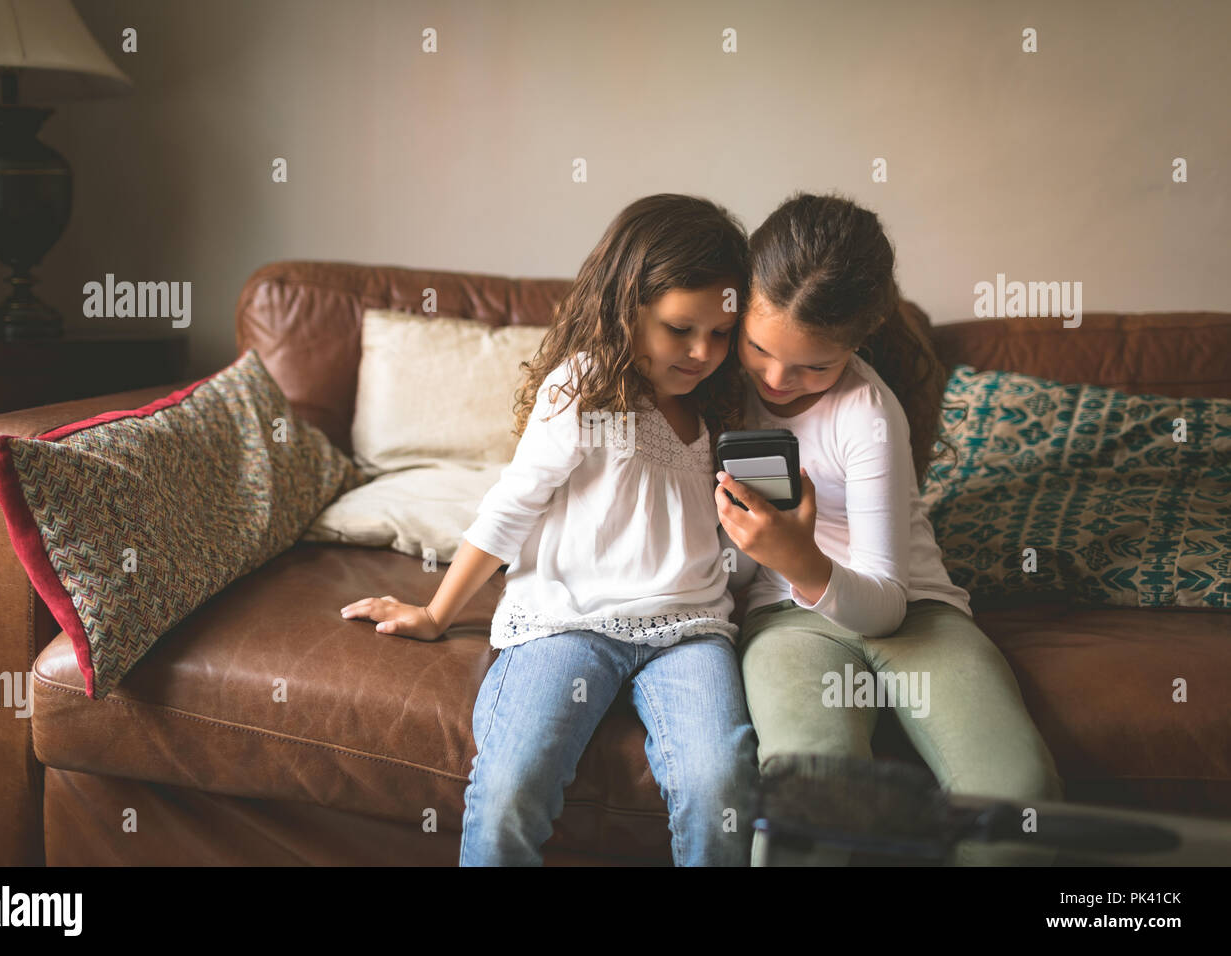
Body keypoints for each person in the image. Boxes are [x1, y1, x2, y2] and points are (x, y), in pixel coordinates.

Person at [341, 194, 759, 866]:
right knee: (512, 784)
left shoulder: (721, 407)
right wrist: (436, 613)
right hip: (569, 620)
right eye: (681, 328)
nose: (702, 351)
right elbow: (512, 506)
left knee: (720, 786)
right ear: (626, 307)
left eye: (721, 333)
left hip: (689, 629)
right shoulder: (587, 386)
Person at [716, 191, 1064, 866]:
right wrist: (760, 555)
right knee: (811, 797)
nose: (777, 379)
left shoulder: (868, 413)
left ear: (859, 340)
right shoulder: (713, 383)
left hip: (913, 610)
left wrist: (799, 557)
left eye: (814, 365)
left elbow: (885, 608)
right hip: (788, 620)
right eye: (758, 347)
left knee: (1018, 792)